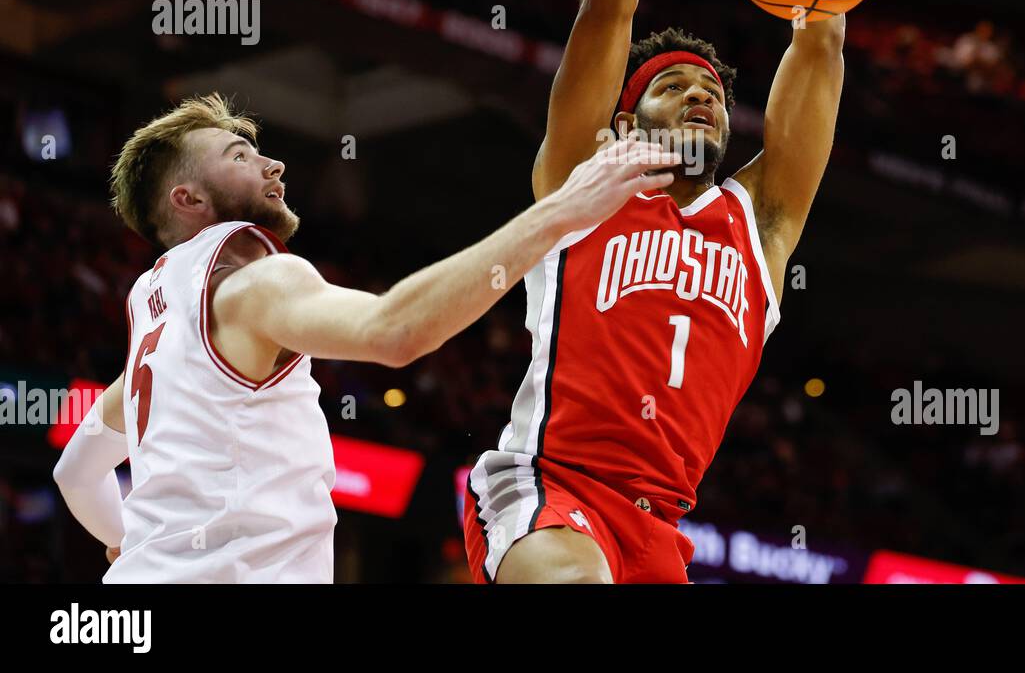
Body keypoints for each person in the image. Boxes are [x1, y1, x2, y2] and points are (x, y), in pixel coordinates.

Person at [464, 0, 849, 583]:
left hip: (660, 524)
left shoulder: (760, 224)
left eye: (710, 91)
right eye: (671, 88)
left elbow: (818, 45)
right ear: (622, 122)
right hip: (550, 488)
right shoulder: (583, 184)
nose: (699, 98)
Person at [53, 93, 678, 582]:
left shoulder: (157, 322)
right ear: (186, 198)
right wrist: (563, 211)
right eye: (238, 157)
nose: (273, 163)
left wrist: (133, 545)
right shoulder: (253, 282)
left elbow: (76, 473)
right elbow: (396, 332)